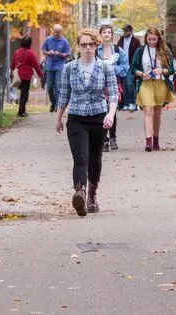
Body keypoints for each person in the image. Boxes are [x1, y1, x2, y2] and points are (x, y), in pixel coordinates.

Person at [55, 28, 118, 216]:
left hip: (99, 117)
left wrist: (111, 114)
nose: (88, 48)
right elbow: (63, 94)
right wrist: (58, 118)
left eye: (91, 45)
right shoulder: (69, 68)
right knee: (81, 157)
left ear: (96, 46)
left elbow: (113, 93)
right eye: (84, 45)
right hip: (76, 118)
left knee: (95, 158)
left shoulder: (105, 67)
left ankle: (92, 193)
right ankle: (79, 192)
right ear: (79, 47)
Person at [132, 27, 176, 151]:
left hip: (160, 83)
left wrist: (162, 70)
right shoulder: (140, 51)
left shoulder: (165, 51)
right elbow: (133, 68)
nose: (151, 42)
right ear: (146, 38)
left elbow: (172, 68)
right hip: (146, 84)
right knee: (147, 110)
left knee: (157, 112)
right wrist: (141, 74)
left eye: (154, 39)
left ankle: (156, 140)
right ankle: (148, 142)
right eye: (149, 39)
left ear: (159, 38)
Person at [97, 24, 129, 151]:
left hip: (114, 83)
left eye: (109, 32)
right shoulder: (95, 50)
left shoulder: (118, 50)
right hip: (99, 84)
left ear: (112, 35)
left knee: (112, 110)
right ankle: (103, 139)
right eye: (104, 32)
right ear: (100, 34)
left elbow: (125, 69)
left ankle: (113, 138)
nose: (106, 34)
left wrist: (111, 67)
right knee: (101, 110)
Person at [11, 36, 44, 117]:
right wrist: (41, 75)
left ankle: (21, 110)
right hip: (26, 77)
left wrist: (11, 73)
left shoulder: (17, 52)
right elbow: (36, 65)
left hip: (18, 75)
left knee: (22, 94)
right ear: (29, 44)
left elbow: (12, 64)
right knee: (24, 94)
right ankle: (21, 111)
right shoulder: (30, 53)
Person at [42, 24, 72, 113]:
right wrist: (49, 53)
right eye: (54, 32)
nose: (55, 34)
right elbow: (44, 51)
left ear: (60, 33)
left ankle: (57, 106)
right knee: (50, 86)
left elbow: (67, 54)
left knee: (58, 85)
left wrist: (61, 54)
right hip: (50, 66)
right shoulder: (48, 40)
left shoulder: (64, 41)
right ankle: (53, 102)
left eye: (58, 33)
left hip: (60, 65)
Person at [117, 24, 141, 111]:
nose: (125, 32)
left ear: (131, 31)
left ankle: (132, 102)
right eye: (124, 30)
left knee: (130, 83)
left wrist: (138, 65)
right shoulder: (121, 40)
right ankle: (126, 104)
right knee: (124, 85)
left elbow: (138, 54)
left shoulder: (136, 41)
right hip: (123, 65)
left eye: (127, 31)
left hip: (132, 65)